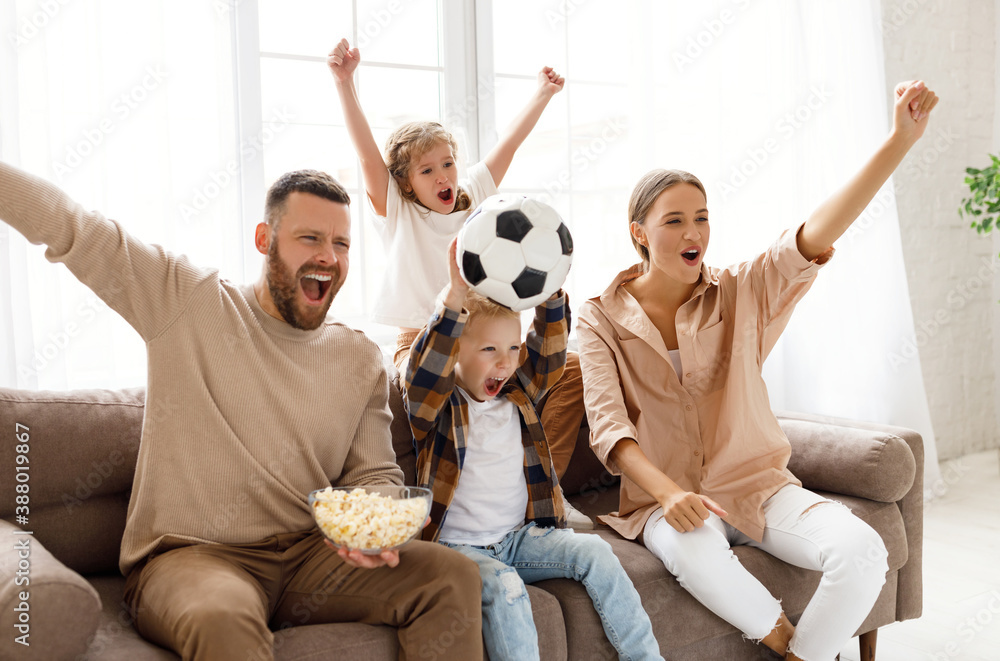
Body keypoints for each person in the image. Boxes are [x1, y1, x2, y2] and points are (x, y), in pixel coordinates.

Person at [0, 162, 484, 660]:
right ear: (264, 238)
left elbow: (375, 472)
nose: (328, 257)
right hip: (193, 559)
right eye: (310, 238)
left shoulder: (358, 357)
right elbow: (71, 227)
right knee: (222, 618)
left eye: (341, 244)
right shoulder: (187, 301)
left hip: (308, 557)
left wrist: (371, 524)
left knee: (451, 575)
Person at [576, 80, 939, 661]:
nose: (693, 233)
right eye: (674, 221)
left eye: (701, 217)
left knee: (864, 551)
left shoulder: (743, 290)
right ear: (639, 234)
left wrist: (900, 140)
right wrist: (669, 495)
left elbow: (816, 231)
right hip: (669, 501)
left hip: (759, 486)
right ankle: (786, 644)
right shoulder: (597, 318)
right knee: (694, 553)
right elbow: (608, 429)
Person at [328, 37, 593, 529]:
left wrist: (542, 93)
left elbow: (507, 146)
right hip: (425, 340)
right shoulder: (398, 212)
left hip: (488, 340)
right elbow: (367, 155)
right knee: (437, 390)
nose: (443, 176)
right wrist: (345, 83)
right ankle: (454, 510)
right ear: (407, 183)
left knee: (572, 370)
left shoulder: (473, 201)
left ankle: (545, 487)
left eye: (447, 163)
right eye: (427, 170)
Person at [402, 239, 663, 661]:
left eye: (511, 348)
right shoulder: (438, 407)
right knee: (506, 588)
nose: (504, 364)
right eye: (489, 350)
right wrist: (452, 299)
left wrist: (550, 287)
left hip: (520, 539)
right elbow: (423, 372)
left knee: (596, 551)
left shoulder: (517, 395)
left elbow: (549, 352)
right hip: (456, 550)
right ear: (455, 354)